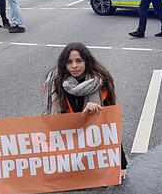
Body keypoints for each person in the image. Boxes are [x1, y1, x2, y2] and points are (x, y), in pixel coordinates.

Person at [42, 43, 128, 179]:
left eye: (79, 61)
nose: (74, 66)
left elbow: (110, 125)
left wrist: (121, 164)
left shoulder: (100, 82)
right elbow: (55, 124)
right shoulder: (56, 82)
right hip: (68, 139)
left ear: (87, 62)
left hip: (92, 141)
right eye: (69, 62)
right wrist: (83, 115)